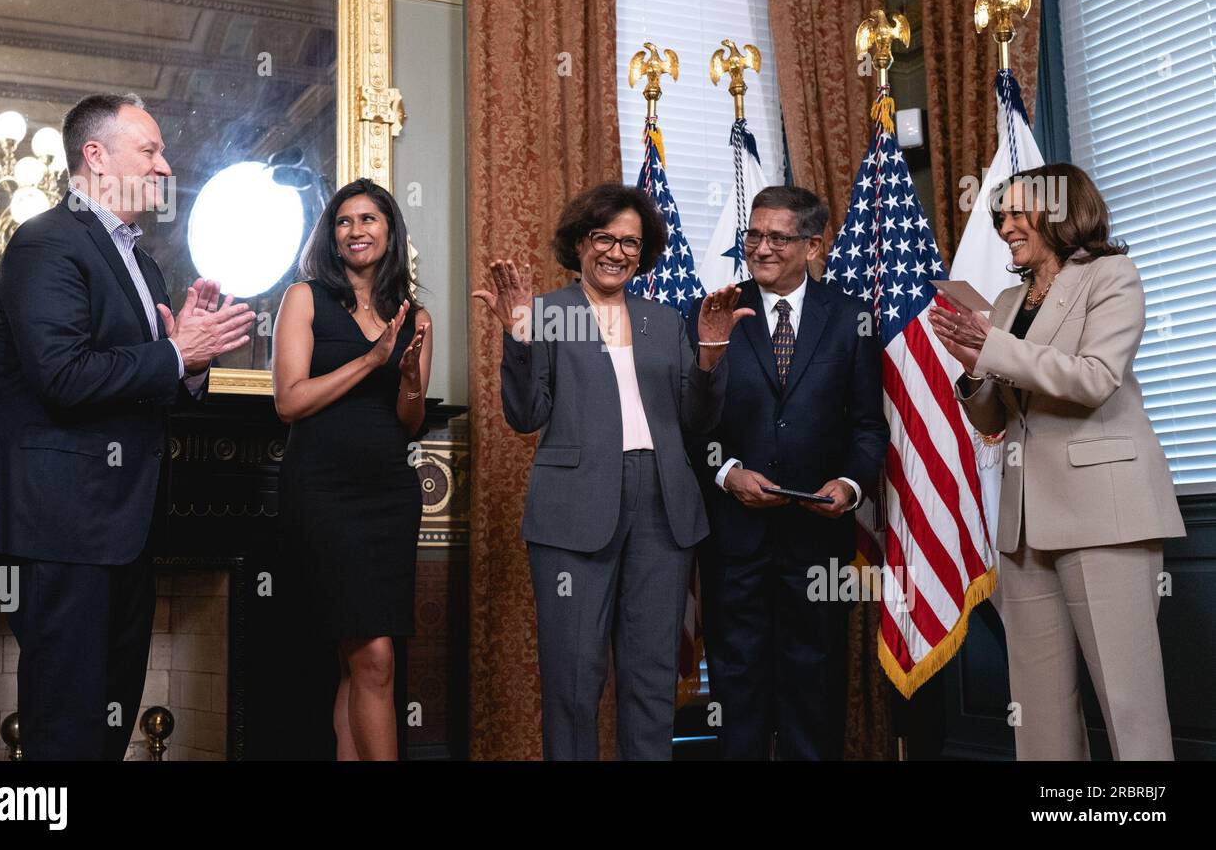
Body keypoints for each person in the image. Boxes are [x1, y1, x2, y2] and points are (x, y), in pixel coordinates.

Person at [0, 92, 255, 760]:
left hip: (127, 530)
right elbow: (64, 378)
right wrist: (173, 352)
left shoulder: (144, 262)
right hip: (64, 529)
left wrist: (188, 362)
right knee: (65, 729)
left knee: (108, 726)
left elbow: (155, 387)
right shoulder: (45, 241)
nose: (166, 166)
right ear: (96, 157)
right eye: (151, 150)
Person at [472, 182, 749, 760]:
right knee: (574, 681)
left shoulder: (665, 320)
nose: (617, 252)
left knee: (651, 681)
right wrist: (518, 333)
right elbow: (525, 415)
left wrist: (709, 358)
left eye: (631, 242)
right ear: (580, 242)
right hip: (573, 512)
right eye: (605, 238)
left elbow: (698, 421)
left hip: (664, 511)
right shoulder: (548, 313)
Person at [930, 162, 1184, 760]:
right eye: (1002, 216)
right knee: (1038, 712)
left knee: (1128, 701)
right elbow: (996, 421)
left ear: (1062, 211)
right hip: (1023, 525)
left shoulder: (1110, 275)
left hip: (1105, 517)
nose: (1007, 226)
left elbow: (1095, 380)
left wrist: (993, 345)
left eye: (1020, 213)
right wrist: (973, 365)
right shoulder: (1009, 298)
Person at [691, 186, 888, 760]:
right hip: (735, 542)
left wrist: (849, 486)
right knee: (738, 690)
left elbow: (869, 427)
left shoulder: (851, 318)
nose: (762, 248)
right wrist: (727, 474)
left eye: (778, 237)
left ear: (813, 245)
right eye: (754, 235)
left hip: (818, 541)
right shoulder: (714, 311)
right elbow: (692, 423)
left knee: (815, 690)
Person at [273, 178, 430, 761]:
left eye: (369, 219)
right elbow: (289, 401)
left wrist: (409, 376)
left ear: (390, 232)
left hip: (389, 495)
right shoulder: (305, 298)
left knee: (357, 662)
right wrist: (372, 360)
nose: (356, 230)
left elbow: (410, 421)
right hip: (323, 495)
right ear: (331, 236)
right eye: (344, 221)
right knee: (374, 656)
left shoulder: (413, 316)